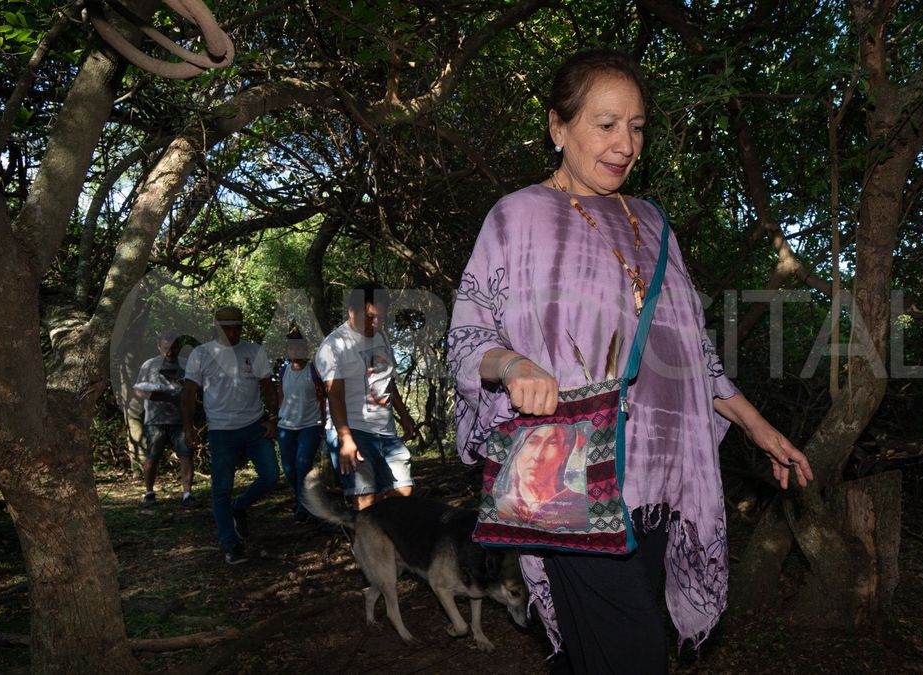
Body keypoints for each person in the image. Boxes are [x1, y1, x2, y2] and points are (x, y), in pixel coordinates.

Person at [447, 50, 814, 673]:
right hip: (570, 476)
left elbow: (689, 350)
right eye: (606, 124)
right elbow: (467, 333)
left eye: (637, 127)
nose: (625, 144)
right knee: (636, 655)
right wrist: (513, 367)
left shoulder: (652, 221)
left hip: (659, 483)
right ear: (558, 127)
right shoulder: (516, 217)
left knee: (595, 652)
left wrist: (757, 427)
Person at [181, 305, 281, 565]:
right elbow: (189, 393)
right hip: (221, 430)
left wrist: (273, 418)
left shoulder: (254, 351)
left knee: (271, 475)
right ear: (217, 327)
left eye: (238, 328)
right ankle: (229, 542)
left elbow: (267, 386)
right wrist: (188, 426)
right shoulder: (201, 355)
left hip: (254, 426)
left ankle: (240, 507)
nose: (233, 333)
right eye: (227, 329)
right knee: (221, 489)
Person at [315, 282, 417, 510]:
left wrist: (404, 415)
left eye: (381, 317)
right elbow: (335, 396)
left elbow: (387, 381)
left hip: (386, 431)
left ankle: (383, 540)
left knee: (403, 494)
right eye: (371, 317)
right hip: (353, 429)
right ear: (353, 310)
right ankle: (364, 541)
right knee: (367, 501)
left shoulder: (382, 337)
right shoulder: (333, 346)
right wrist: (346, 440)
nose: (376, 323)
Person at [133, 331, 195, 507]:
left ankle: (187, 494)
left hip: (180, 418)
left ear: (178, 346)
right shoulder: (149, 365)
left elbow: (195, 389)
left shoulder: (186, 364)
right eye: (165, 347)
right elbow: (137, 390)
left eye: (173, 346)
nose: (169, 351)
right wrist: (153, 392)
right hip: (155, 419)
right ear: (159, 346)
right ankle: (149, 493)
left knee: (185, 455)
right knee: (152, 457)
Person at [493, 423, 589, 529]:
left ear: (564, 453)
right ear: (517, 449)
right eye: (532, 442)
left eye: (552, 443)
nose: (537, 456)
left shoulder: (579, 506)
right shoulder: (501, 506)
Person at [276, 327, 325, 522]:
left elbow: (322, 396)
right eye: (290, 347)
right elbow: (281, 396)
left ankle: (303, 508)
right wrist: (276, 417)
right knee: (288, 467)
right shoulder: (283, 371)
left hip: (310, 424)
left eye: (298, 347)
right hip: (286, 426)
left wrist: (324, 423)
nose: (294, 351)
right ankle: (303, 500)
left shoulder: (313, 370)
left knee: (302, 464)